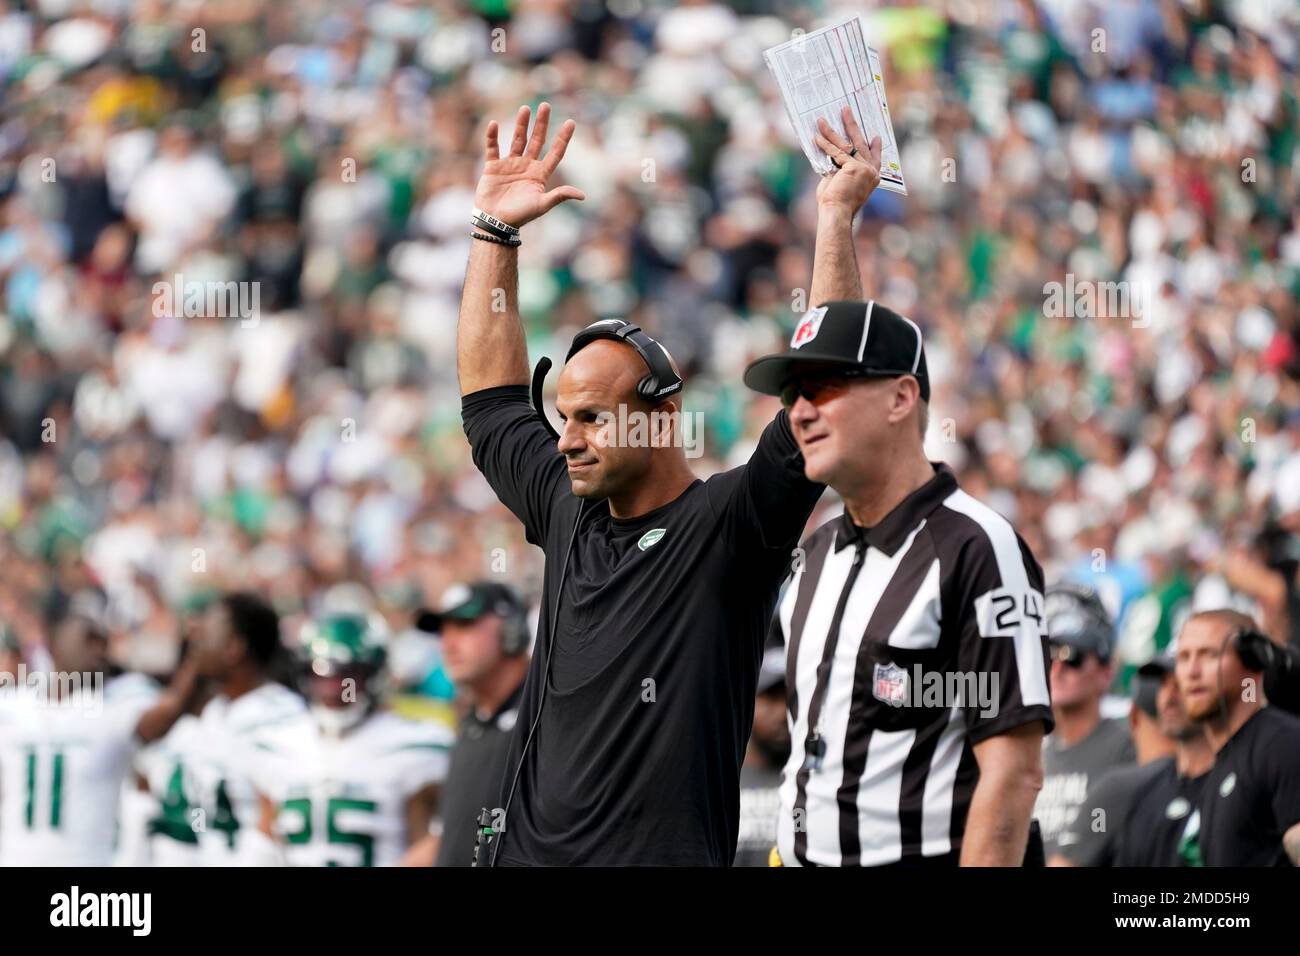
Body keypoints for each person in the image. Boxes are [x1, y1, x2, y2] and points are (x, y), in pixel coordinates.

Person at [456, 102, 866, 866]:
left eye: (590, 418)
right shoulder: (567, 499)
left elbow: (824, 380)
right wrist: (493, 233)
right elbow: (490, 406)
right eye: (563, 418)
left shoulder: (730, 523)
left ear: (661, 417)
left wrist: (836, 216)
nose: (567, 439)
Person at [745, 118, 1053, 863]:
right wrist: (834, 216)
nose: (802, 411)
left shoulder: (975, 547)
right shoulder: (815, 552)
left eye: (823, 388)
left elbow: (1010, 774)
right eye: (793, 395)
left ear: (901, 398)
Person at [0, 601, 202, 866]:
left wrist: (196, 657)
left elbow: (170, 710)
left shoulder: (115, 705)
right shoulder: (12, 706)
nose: (100, 650)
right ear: (53, 646)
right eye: (89, 640)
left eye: (103, 642)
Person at [252, 610, 451, 867]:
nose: (334, 691)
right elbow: (265, 840)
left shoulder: (417, 747)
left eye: (346, 677)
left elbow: (430, 844)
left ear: (372, 675)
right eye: (322, 678)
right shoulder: (276, 742)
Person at [402, 582, 531, 867]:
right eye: (442, 630)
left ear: (512, 630)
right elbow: (448, 837)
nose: (447, 644)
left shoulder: (544, 716)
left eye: (463, 625)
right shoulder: (472, 724)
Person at [187, 591, 307, 865]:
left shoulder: (280, 716)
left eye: (204, 635)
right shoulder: (215, 711)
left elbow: (287, 816)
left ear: (233, 648)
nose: (195, 645)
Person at [1176, 608, 1300, 866]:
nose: (1192, 671)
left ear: (1253, 660)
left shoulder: (1282, 743)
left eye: (1209, 654)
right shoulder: (1221, 765)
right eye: (1183, 657)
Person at [1034, 584, 1135, 859]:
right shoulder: (1029, 754)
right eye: (1049, 655)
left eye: (1073, 656)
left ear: (1106, 672)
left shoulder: (1130, 747)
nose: (1058, 668)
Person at [1110, 646, 1216, 866]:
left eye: (1180, 684)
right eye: (1163, 684)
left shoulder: (1249, 776)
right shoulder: (1145, 794)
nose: (1168, 696)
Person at [735, 645, 789, 867]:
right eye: (771, 697)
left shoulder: (813, 784)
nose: (783, 711)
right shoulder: (717, 786)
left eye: (790, 698)